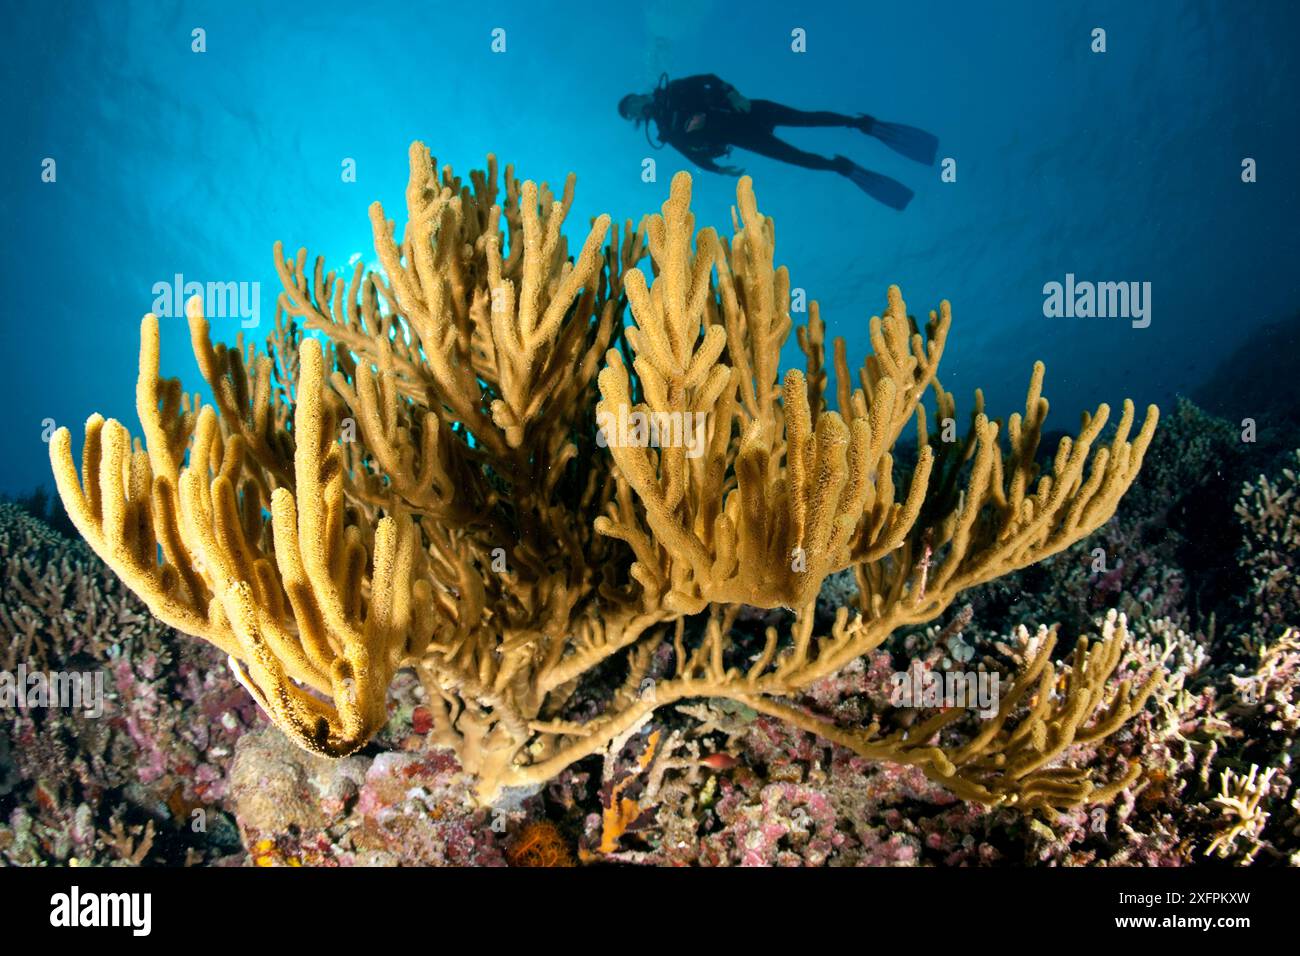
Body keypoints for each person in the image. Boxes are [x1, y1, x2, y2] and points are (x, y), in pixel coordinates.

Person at [618, 73, 938, 211]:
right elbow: (692, 156)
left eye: (633, 101)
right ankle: (841, 167)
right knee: (795, 157)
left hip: (748, 109)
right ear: (636, 120)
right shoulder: (667, 133)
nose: (636, 108)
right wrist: (717, 169)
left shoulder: (673, 89)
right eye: (632, 112)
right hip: (743, 137)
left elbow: (709, 80)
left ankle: (860, 124)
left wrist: (733, 94)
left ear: (640, 94)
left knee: (805, 118)